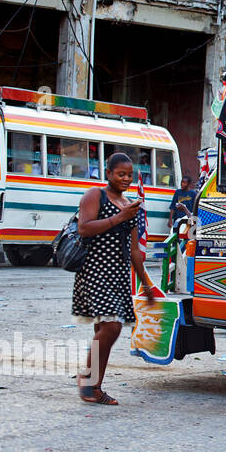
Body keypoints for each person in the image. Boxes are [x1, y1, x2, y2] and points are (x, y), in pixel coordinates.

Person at [72, 152, 156, 405]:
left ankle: (93, 387)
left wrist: (146, 283)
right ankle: (87, 382)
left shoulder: (129, 204)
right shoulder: (94, 195)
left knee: (104, 329)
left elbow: (133, 250)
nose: (126, 179)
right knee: (112, 326)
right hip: (95, 270)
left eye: (130, 175)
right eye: (121, 174)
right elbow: (84, 228)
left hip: (118, 274)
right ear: (108, 173)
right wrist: (119, 218)